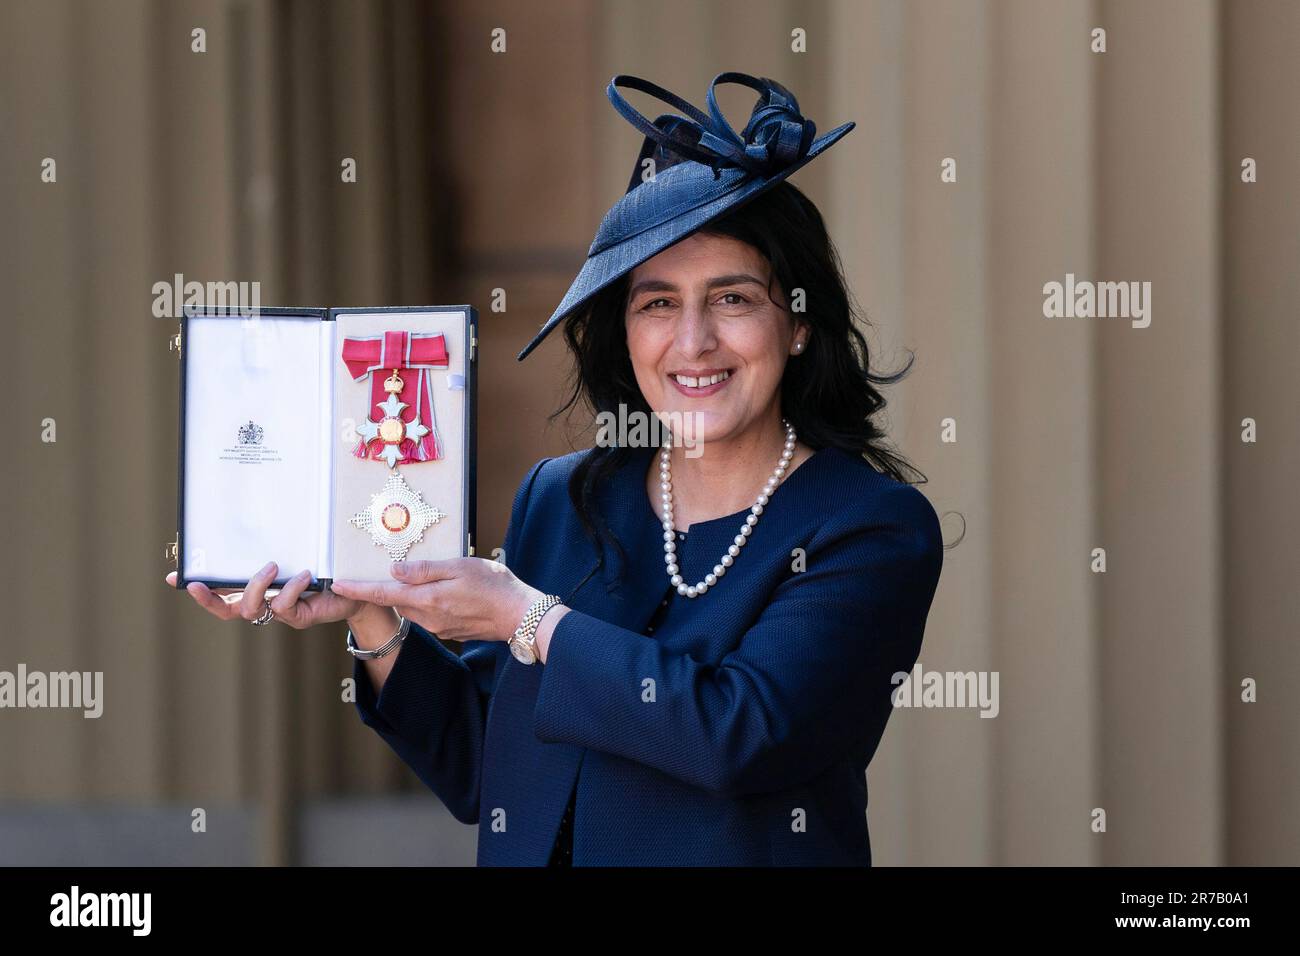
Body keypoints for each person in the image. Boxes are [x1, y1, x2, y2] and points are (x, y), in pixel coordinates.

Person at [167, 72, 944, 866]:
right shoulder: (568, 497)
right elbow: (485, 769)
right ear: (625, 333)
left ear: (801, 326)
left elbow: (740, 735)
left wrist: (527, 620)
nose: (693, 342)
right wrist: (370, 611)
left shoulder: (868, 526)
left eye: (734, 299)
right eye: (657, 304)